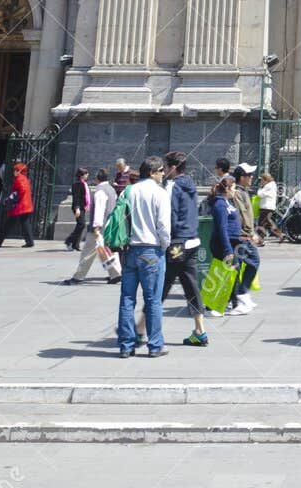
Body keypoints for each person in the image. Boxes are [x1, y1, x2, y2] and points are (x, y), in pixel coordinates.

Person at [116, 157, 170, 359]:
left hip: (130, 250)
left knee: (127, 299)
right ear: (154, 172)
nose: (163, 174)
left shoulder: (129, 191)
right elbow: (163, 226)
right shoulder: (160, 193)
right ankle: (155, 345)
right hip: (151, 250)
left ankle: (125, 345)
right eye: (161, 171)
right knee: (153, 300)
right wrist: (164, 246)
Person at [158, 153, 208, 347]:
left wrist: (163, 240)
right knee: (191, 286)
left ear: (172, 167)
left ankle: (140, 329)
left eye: (165, 167)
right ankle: (200, 331)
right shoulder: (191, 185)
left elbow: (168, 215)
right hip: (192, 241)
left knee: (161, 285)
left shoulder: (172, 186)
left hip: (176, 243)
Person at [209, 176, 260, 316]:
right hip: (227, 243)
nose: (235, 190)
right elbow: (222, 228)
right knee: (226, 274)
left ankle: (233, 301)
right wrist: (227, 250)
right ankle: (219, 305)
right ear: (227, 188)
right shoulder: (220, 204)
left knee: (233, 272)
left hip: (235, 241)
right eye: (233, 188)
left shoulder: (226, 202)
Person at [66, 169, 120, 284]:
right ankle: (115, 273)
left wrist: (96, 226)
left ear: (97, 179)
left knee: (88, 252)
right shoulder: (111, 189)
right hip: (109, 225)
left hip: (99, 227)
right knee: (103, 251)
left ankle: (79, 276)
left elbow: (99, 210)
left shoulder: (100, 191)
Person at [0, 161, 34, 248]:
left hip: (20, 206)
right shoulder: (24, 178)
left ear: (18, 171)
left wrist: (13, 197)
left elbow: (22, 190)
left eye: (15, 170)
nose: (14, 172)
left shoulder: (20, 178)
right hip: (24, 205)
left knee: (8, 224)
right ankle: (30, 241)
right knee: (25, 224)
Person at [65, 168, 91, 251]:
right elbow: (76, 197)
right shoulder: (77, 184)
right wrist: (77, 208)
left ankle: (76, 245)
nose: (88, 175)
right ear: (82, 175)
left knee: (80, 225)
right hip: (78, 207)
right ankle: (69, 240)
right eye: (86, 174)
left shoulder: (83, 183)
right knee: (81, 224)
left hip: (82, 207)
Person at [256, 172, 280, 238]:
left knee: (262, 223)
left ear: (265, 180)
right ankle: (280, 234)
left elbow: (260, 194)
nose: (261, 182)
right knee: (267, 223)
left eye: (262, 180)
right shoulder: (272, 185)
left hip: (266, 207)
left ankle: (260, 239)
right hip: (268, 207)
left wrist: (260, 188)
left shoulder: (268, 186)